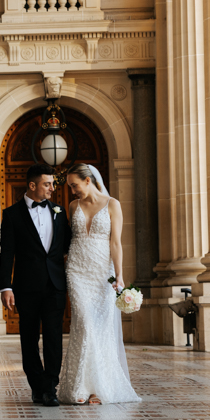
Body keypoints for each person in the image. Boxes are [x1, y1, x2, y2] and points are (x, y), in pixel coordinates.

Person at [57, 163, 140, 405]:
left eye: (74, 185)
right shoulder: (73, 206)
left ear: (88, 180)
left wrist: (120, 275)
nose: (73, 190)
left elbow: (116, 243)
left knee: (100, 328)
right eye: (70, 186)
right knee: (84, 322)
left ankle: (97, 389)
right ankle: (80, 387)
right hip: (77, 270)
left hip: (103, 273)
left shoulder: (113, 204)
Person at [0, 163, 72, 407]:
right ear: (32, 186)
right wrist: (5, 287)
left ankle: (50, 387)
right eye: (47, 184)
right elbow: (6, 253)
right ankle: (36, 385)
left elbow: (71, 247)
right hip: (25, 288)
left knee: (53, 337)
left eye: (52, 184)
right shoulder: (11, 215)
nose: (52, 188)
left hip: (55, 286)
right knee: (28, 339)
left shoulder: (60, 211)